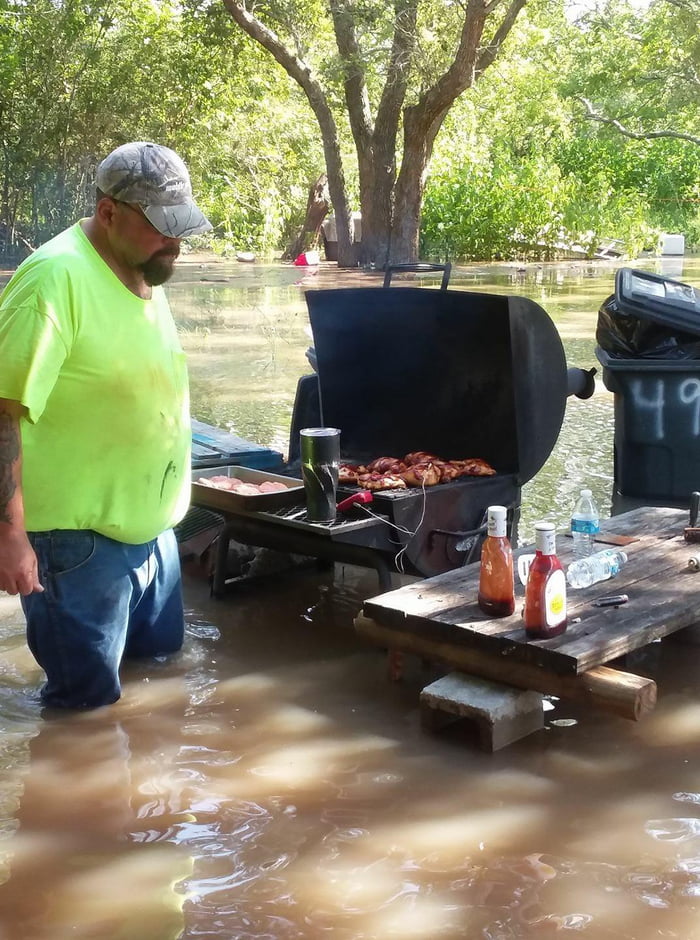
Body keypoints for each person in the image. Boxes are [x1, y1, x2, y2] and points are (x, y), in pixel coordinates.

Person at [0, 141, 212, 709]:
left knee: (160, 687)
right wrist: (8, 535)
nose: (175, 242)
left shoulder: (143, 267)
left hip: (154, 536)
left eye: (181, 227)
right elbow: (2, 412)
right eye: (162, 227)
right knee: (83, 716)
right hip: (76, 549)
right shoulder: (54, 279)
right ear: (108, 212)